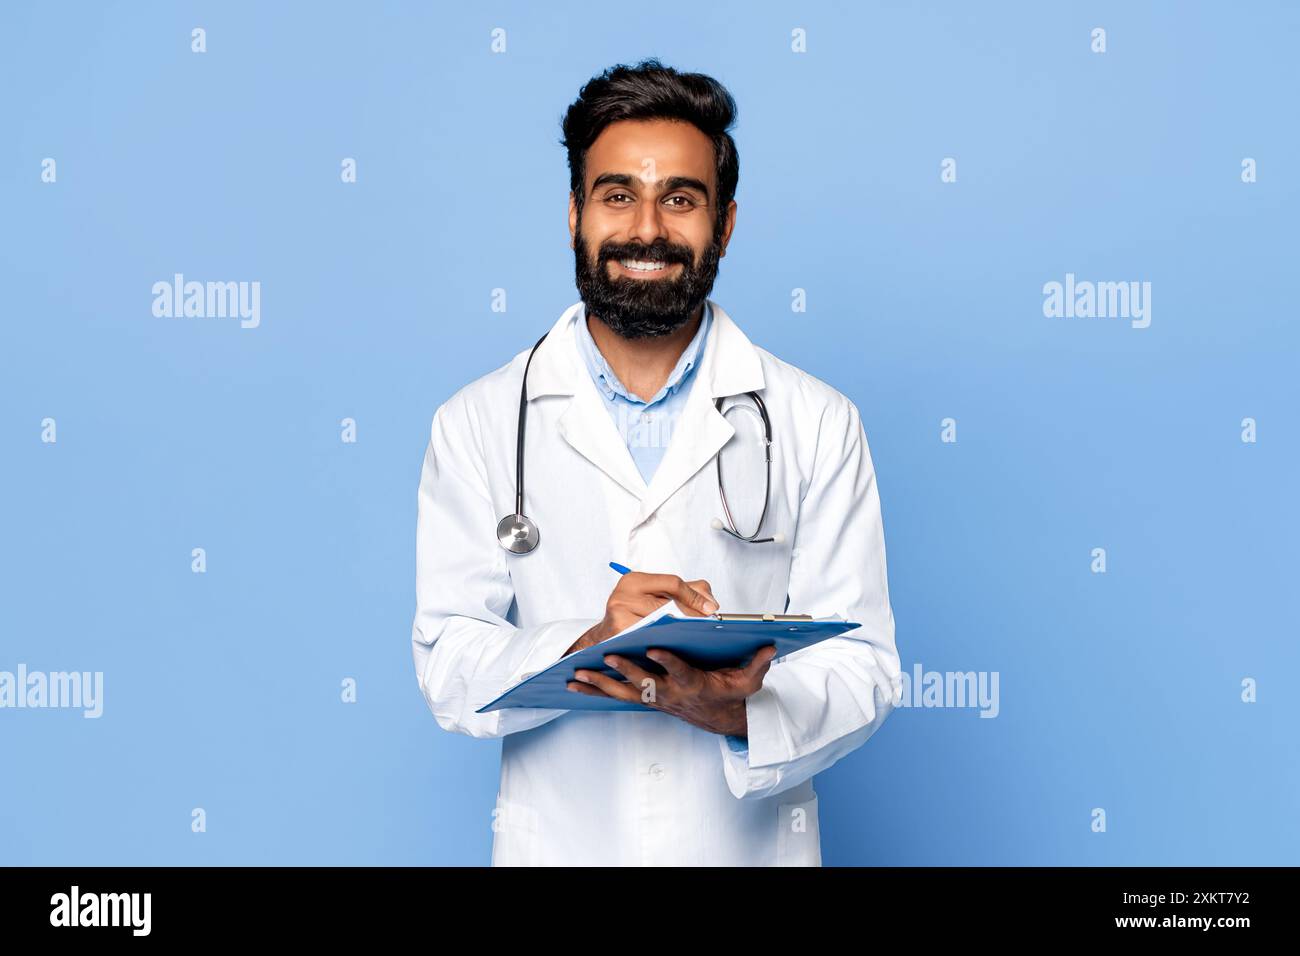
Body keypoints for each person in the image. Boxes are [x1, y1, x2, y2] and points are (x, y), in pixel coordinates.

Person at [411, 59, 899, 866]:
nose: (647, 229)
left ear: (726, 223)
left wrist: (738, 713)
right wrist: (587, 643)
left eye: (680, 197)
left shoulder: (816, 421)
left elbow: (865, 669)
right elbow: (448, 664)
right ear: (574, 214)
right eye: (616, 196)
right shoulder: (479, 421)